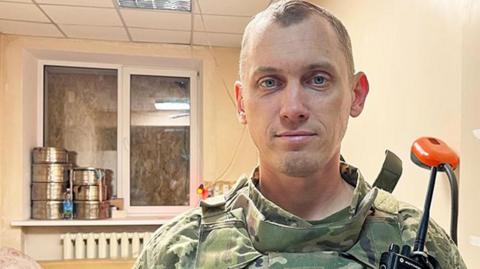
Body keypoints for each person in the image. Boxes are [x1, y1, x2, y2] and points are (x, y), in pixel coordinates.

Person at [133, 1, 466, 268]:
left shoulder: (421, 244)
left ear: (356, 94)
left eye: (318, 79)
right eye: (270, 83)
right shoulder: (178, 252)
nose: (292, 108)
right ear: (241, 104)